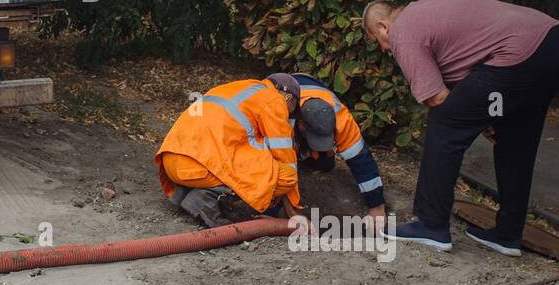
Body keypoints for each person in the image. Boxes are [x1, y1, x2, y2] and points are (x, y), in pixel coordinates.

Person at [362, 0, 559, 255]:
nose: (383, 49)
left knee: (444, 121)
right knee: (515, 140)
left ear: (383, 26)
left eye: (376, 40)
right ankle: (507, 235)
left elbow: (436, 97)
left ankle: (431, 224)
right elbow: (473, 94)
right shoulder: (426, 12)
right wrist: (485, 119)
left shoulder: (402, 32)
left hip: (520, 51)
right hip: (555, 43)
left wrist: (473, 118)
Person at [155, 73, 304, 228]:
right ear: (287, 98)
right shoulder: (274, 99)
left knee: (246, 160)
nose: (289, 115)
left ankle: (185, 192)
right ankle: (204, 198)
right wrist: (292, 208)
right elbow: (285, 156)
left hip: (171, 162)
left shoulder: (234, 88)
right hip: (198, 168)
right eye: (292, 109)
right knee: (286, 176)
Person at [290, 74, 386, 220]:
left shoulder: (342, 119)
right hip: (285, 88)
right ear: (301, 123)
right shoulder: (281, 120)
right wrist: (290, 211)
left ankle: (310, 158)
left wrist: (377, 207)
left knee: (325, 164)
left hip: (311, 85)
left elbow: (362, 161)